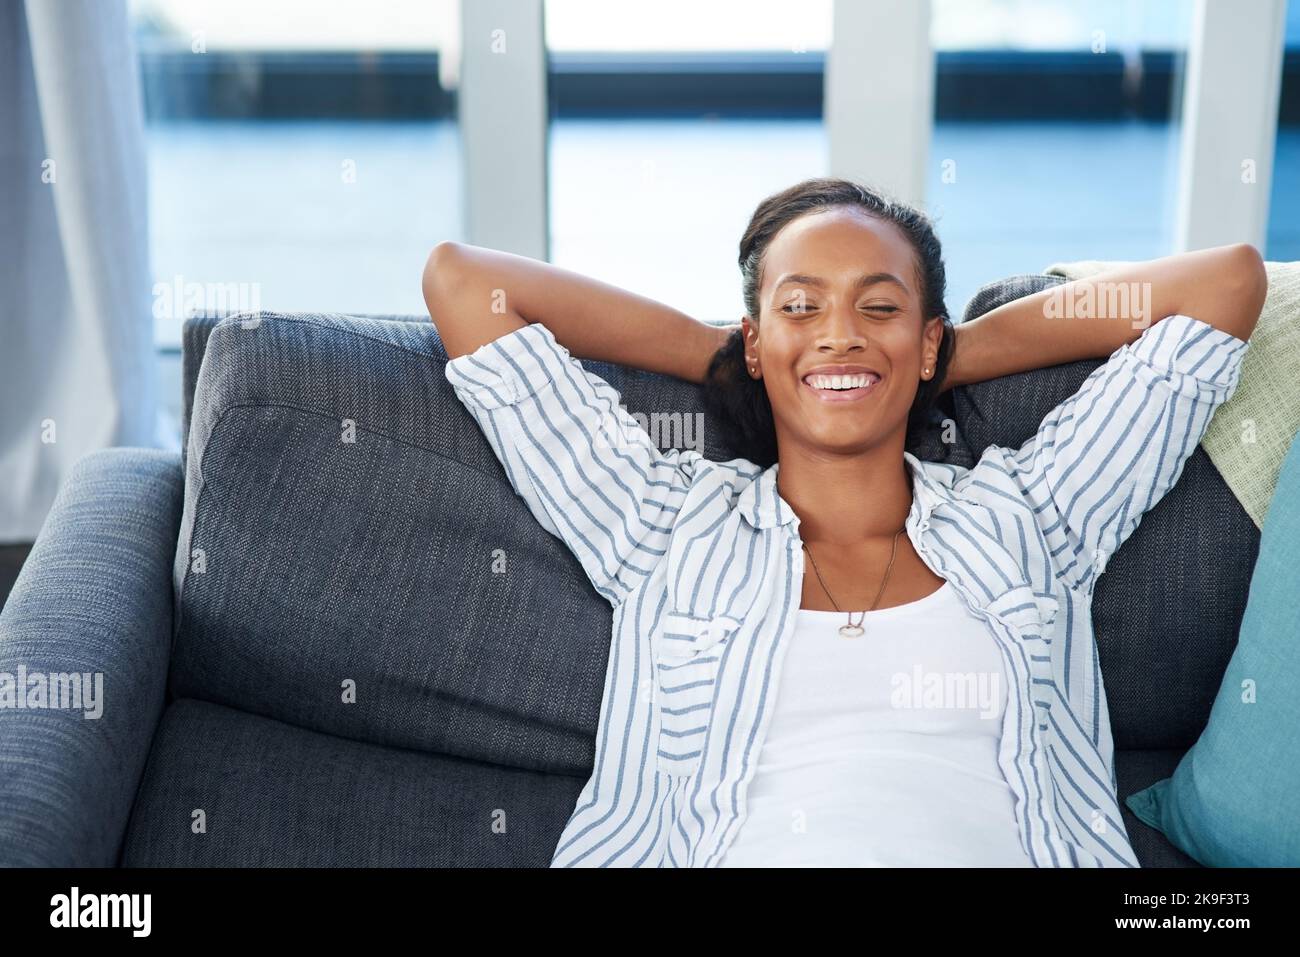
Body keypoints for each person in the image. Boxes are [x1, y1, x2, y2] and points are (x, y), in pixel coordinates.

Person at [422, 177, 1265, 867]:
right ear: (756, 338)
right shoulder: (661, 522)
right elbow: (465, 283)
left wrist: (939, 356)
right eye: (801, 308)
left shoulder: (1036, 513)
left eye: (879, 308)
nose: (840, 335)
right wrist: (733, 360)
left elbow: (1224, 284)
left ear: (928, 339)